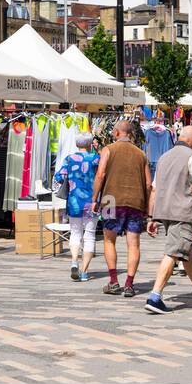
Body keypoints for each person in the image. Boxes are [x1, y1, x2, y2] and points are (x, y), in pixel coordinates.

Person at [144, 126, 192, 315]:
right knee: (174, 252)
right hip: (182, 212)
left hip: (164, 211)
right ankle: (155, 296)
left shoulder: (164, 157)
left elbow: (154, 189)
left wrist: (151, 216)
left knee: (186, 251)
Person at [93, 120, 153, 297]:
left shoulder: (108, 150)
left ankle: (113, 281)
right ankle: (129, 284)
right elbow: (149, 184)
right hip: (136, 201)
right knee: (133, 243)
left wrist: (94, 198)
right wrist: (148, 208)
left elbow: (100, 174)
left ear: (118, 133)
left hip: (110, 199)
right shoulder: (141, 154)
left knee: (109, 240)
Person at [54, 132, 101, 282]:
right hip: (92, 201)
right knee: (90, 235)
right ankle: (84, 271)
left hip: (74, 201)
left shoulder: (69, 159)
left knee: (75, 233)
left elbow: (59, 177)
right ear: (90, 144)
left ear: (76, 144)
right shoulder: (95, 159)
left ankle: (74, 261)